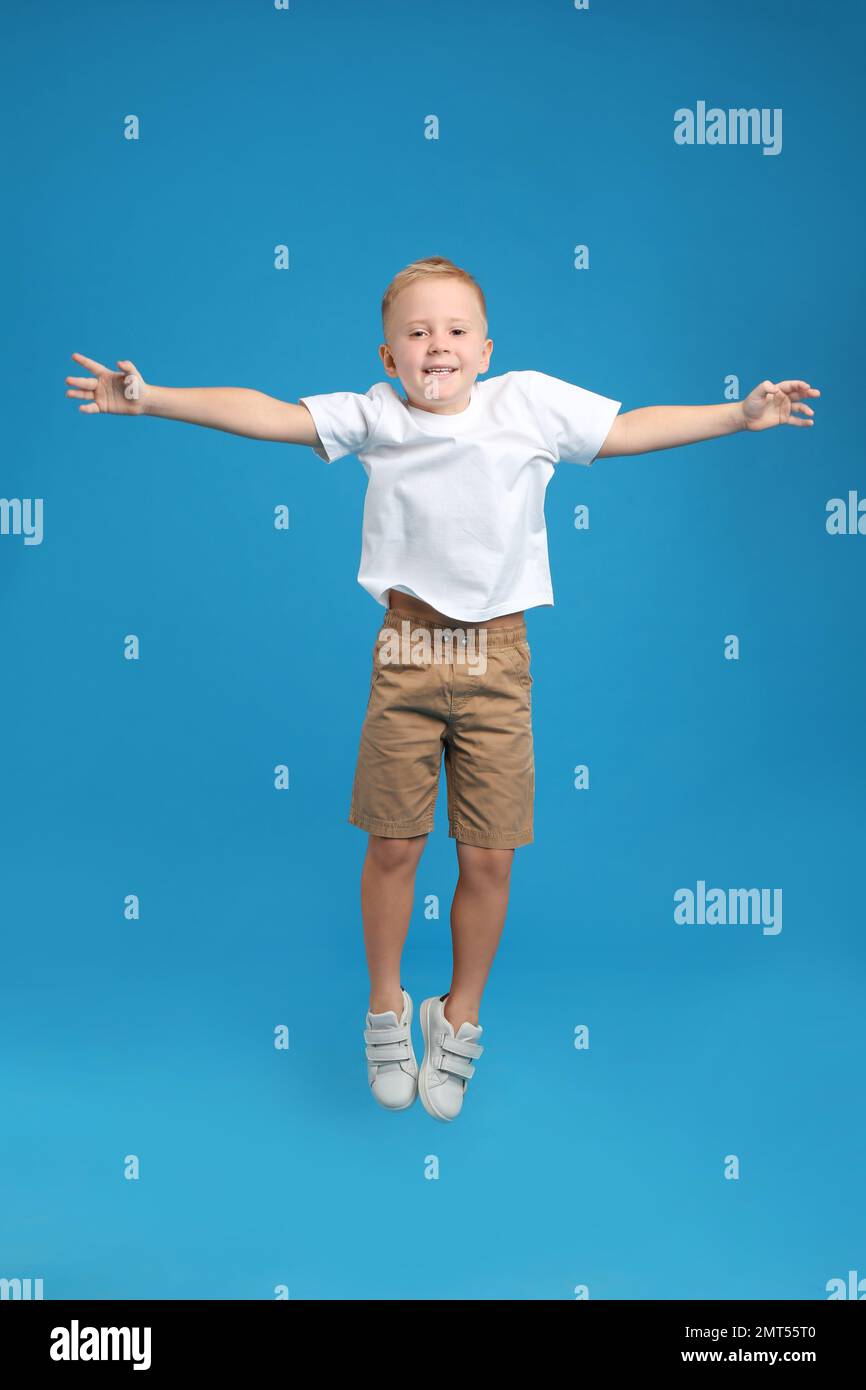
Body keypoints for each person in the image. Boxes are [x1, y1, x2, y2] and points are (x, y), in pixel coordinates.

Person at [65, 255, 819, 1123]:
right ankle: (387, 1006)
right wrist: (152, 397)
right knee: (394, 843)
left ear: (486, 349)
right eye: (417, 333)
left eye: (456, 330)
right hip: (409, 651)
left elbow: (629, 429)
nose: (437, 345)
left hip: (498, 658)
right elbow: (269, 414)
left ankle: (457, 1019)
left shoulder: (527, 403)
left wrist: (740, 413)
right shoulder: (378, 417)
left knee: (490, 854)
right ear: (389, 357)